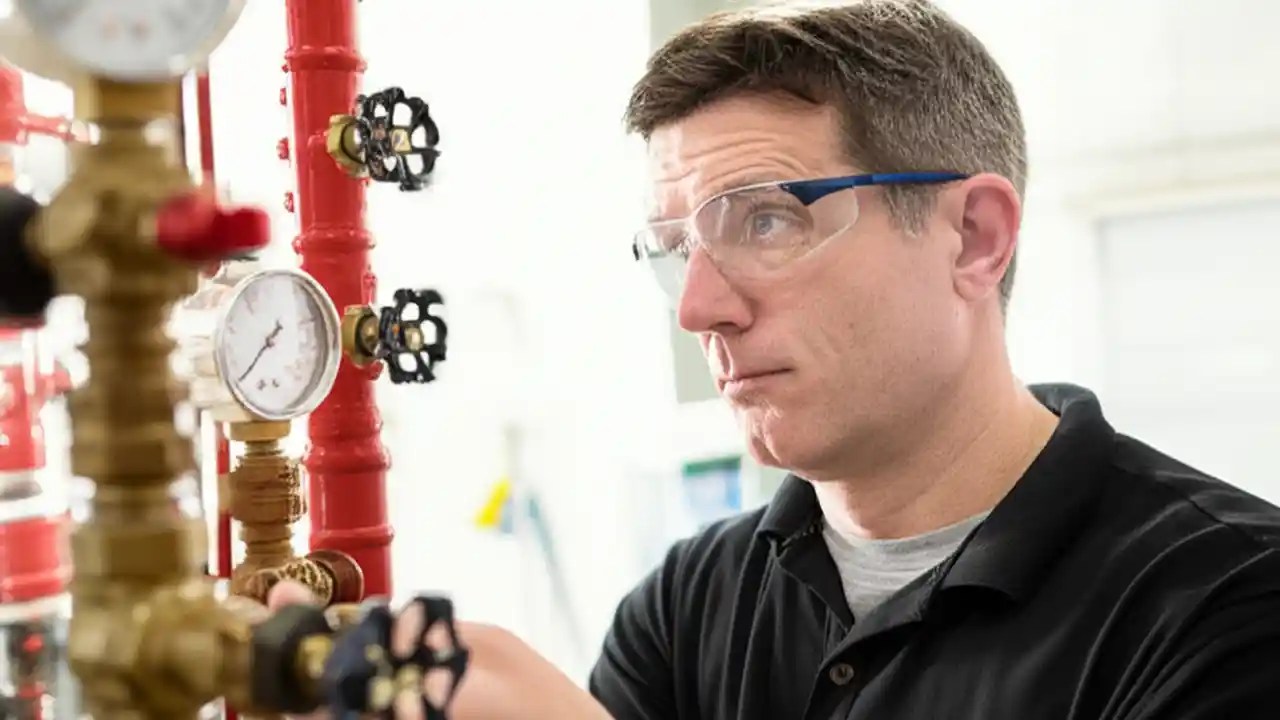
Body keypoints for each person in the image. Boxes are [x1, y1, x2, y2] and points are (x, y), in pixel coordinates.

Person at [270, 0, 1280, 717]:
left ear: (971, 237)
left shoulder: (1224, 602)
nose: (700, 309)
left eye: (764, 220)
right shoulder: (689, 603)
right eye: (673, 251)